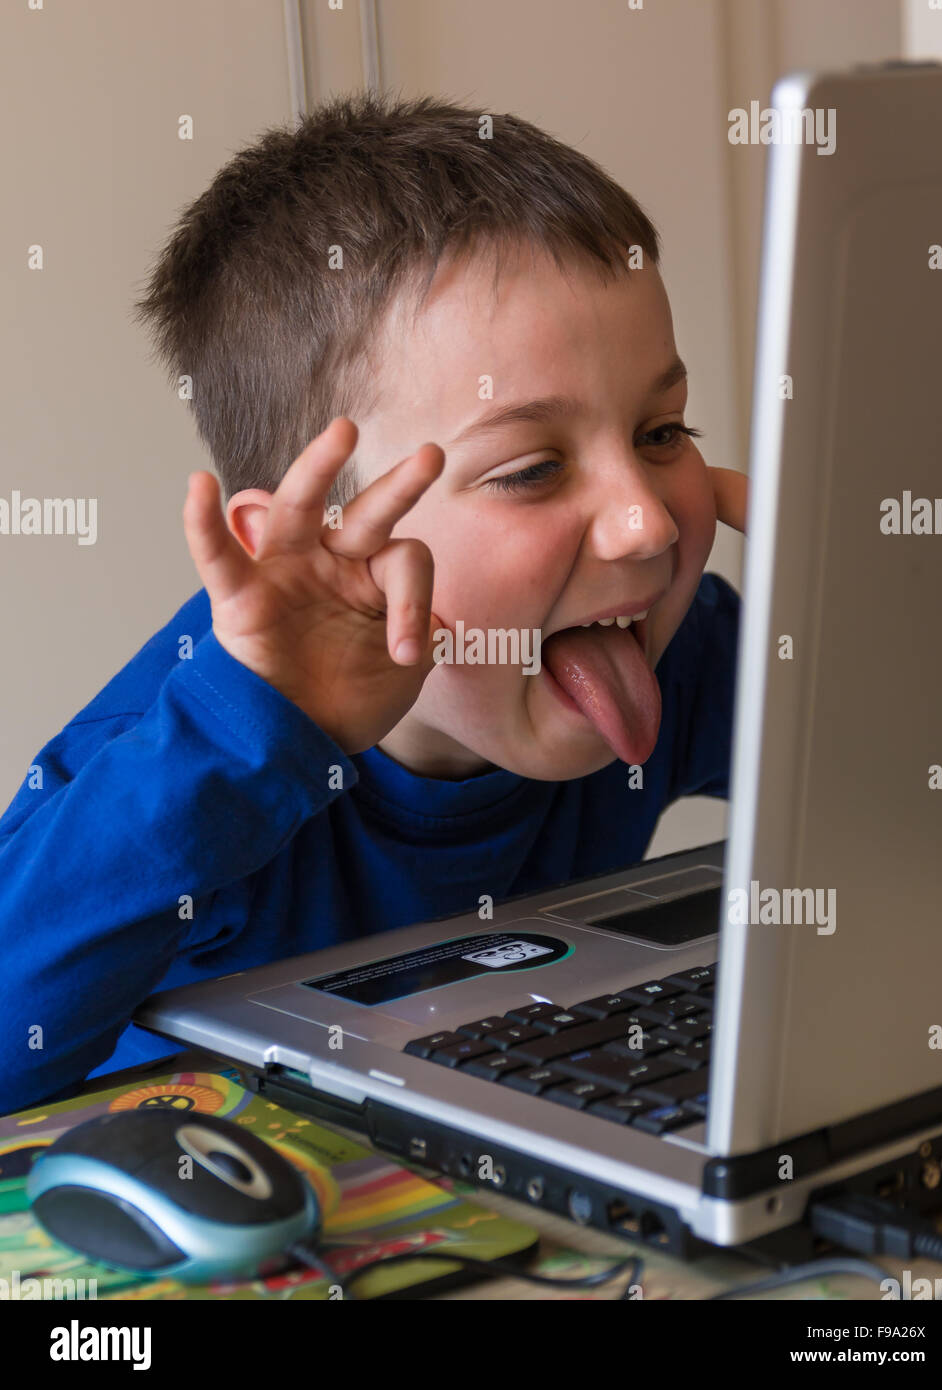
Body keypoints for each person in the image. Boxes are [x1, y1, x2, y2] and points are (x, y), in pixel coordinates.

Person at [0, 93, 746, 1115]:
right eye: (532, 468)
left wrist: (861, 600)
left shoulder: (669, 647)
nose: (647, 525)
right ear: (314, 546)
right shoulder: (190, 756)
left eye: (663, 432)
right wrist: (250, 736)